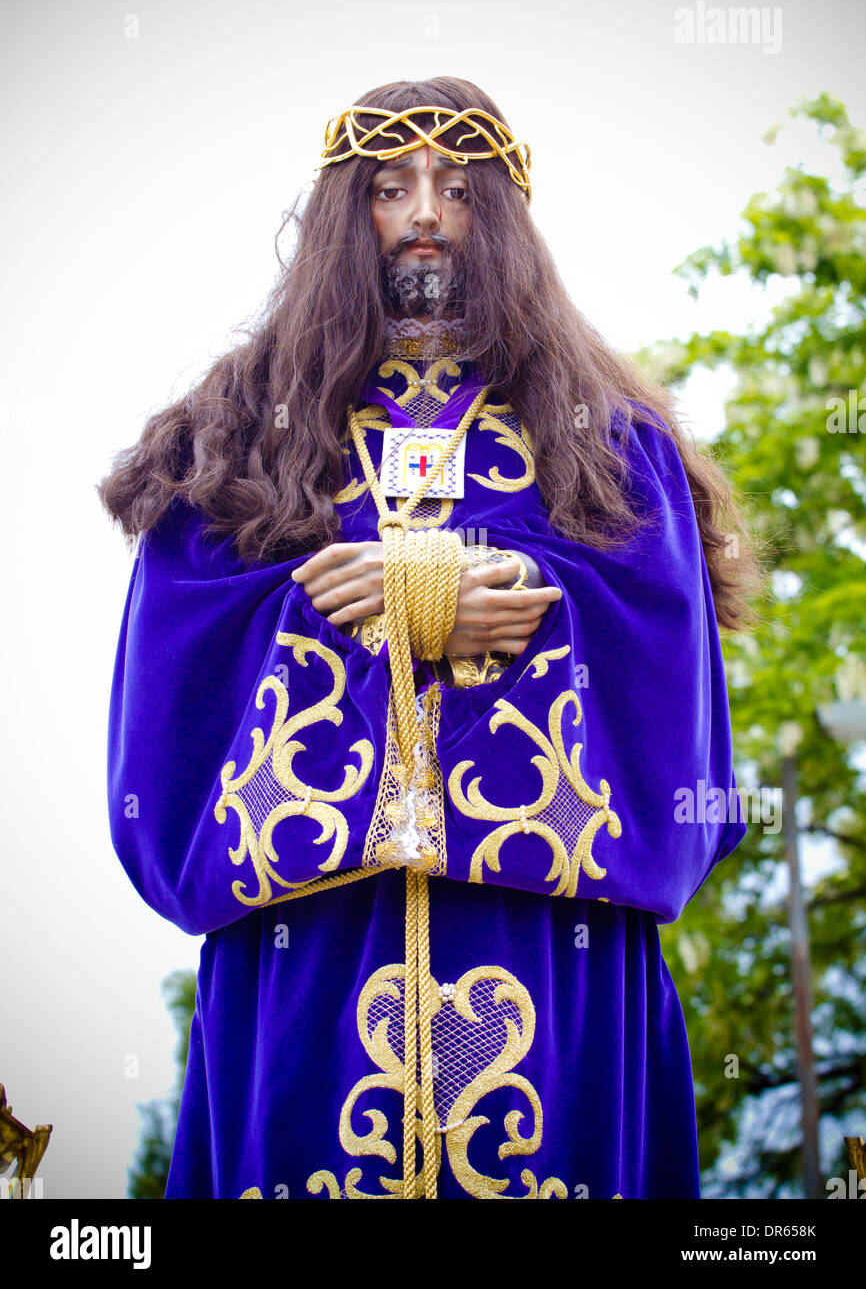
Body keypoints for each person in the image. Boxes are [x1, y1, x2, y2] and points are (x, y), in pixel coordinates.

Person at [98, 76, 764, 1200]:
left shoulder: (604, 438)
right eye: (389, 187)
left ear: (497, 217)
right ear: (339, 214)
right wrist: (383, 609)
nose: (421, 213)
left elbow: (661, 643)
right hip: (307, 939)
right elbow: (179, 646)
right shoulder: (238, 436)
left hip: (548, 946)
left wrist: (468, 591)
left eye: (456, 189)